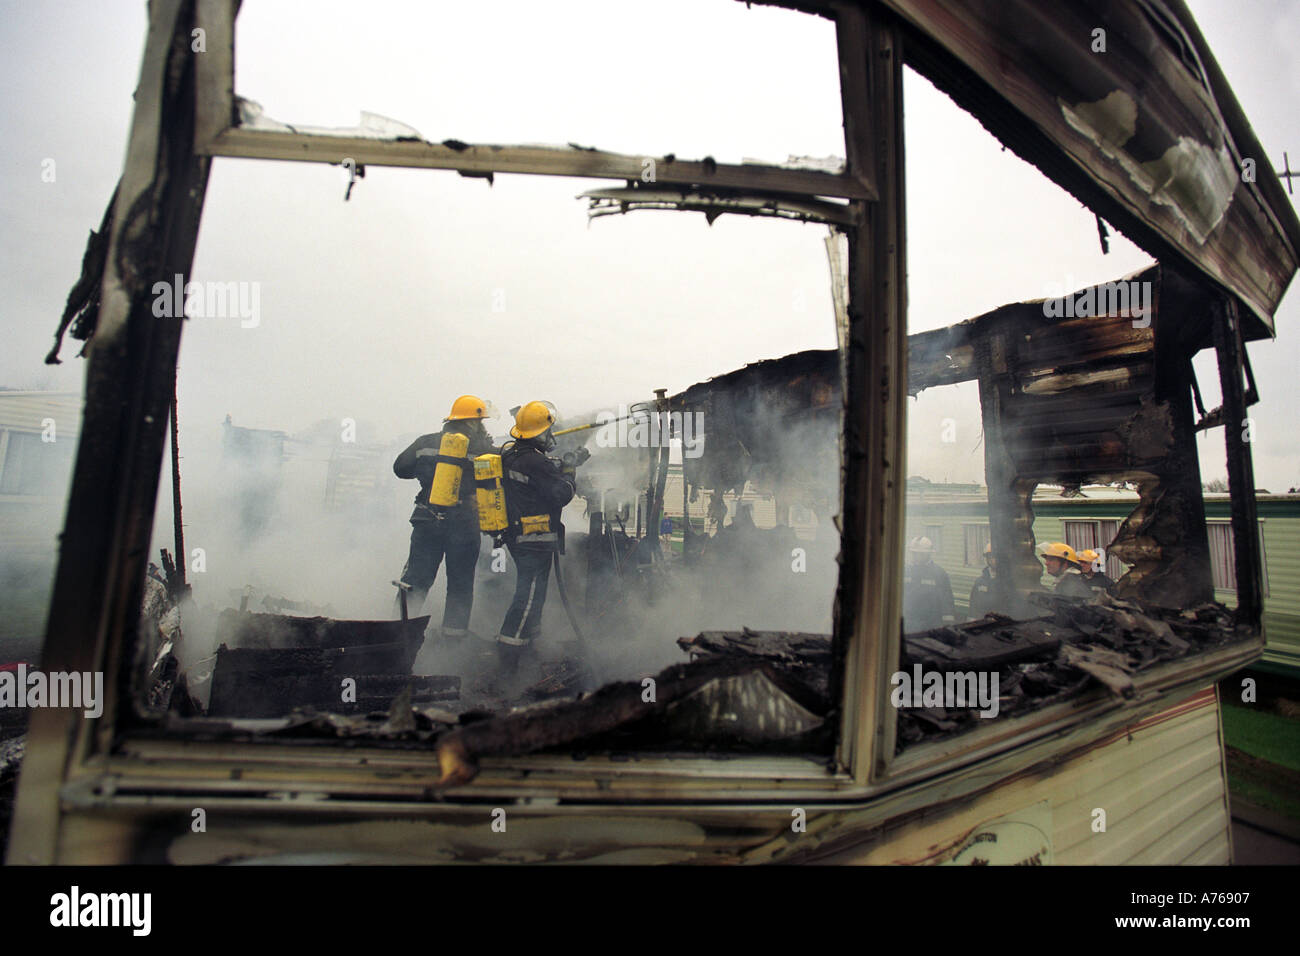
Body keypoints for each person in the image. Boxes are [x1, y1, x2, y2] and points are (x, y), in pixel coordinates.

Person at [393, 394, 496, 640]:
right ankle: (453, 638)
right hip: (464, 524)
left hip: (427, 519)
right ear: (473, 422)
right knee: (460, 584)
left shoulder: (426, 442)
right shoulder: (483, 450)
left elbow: (400, 468)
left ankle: (397, 633)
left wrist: (428, 473)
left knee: (416, 578)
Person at [495, 401, 584, 682]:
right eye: (548, 431)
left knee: (535, 597)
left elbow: (538, 474)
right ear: (538, 433)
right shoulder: (536, 461)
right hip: (533, 539)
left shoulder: (511, 455)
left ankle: (529, 650)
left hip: (519, 536)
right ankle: (508, 662)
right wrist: (570, 472)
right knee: (529, 596)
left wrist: (561, 464)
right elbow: (560, 494)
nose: (551, 436)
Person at [903, 536, 956, 632]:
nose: (916, 556)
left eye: (919, 554)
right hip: (909, 625)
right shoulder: (905, 571)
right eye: (914, 553)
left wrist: (948, 626)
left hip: (931, 626)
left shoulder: (939, 573)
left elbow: (947, 601)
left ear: (928, 554)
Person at [968, 542, 998, 620]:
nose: (992, 560)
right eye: (990, 557)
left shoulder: (1007, 582)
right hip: (982, 624)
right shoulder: (979, 582)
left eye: (995, 557)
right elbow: (973, 605)